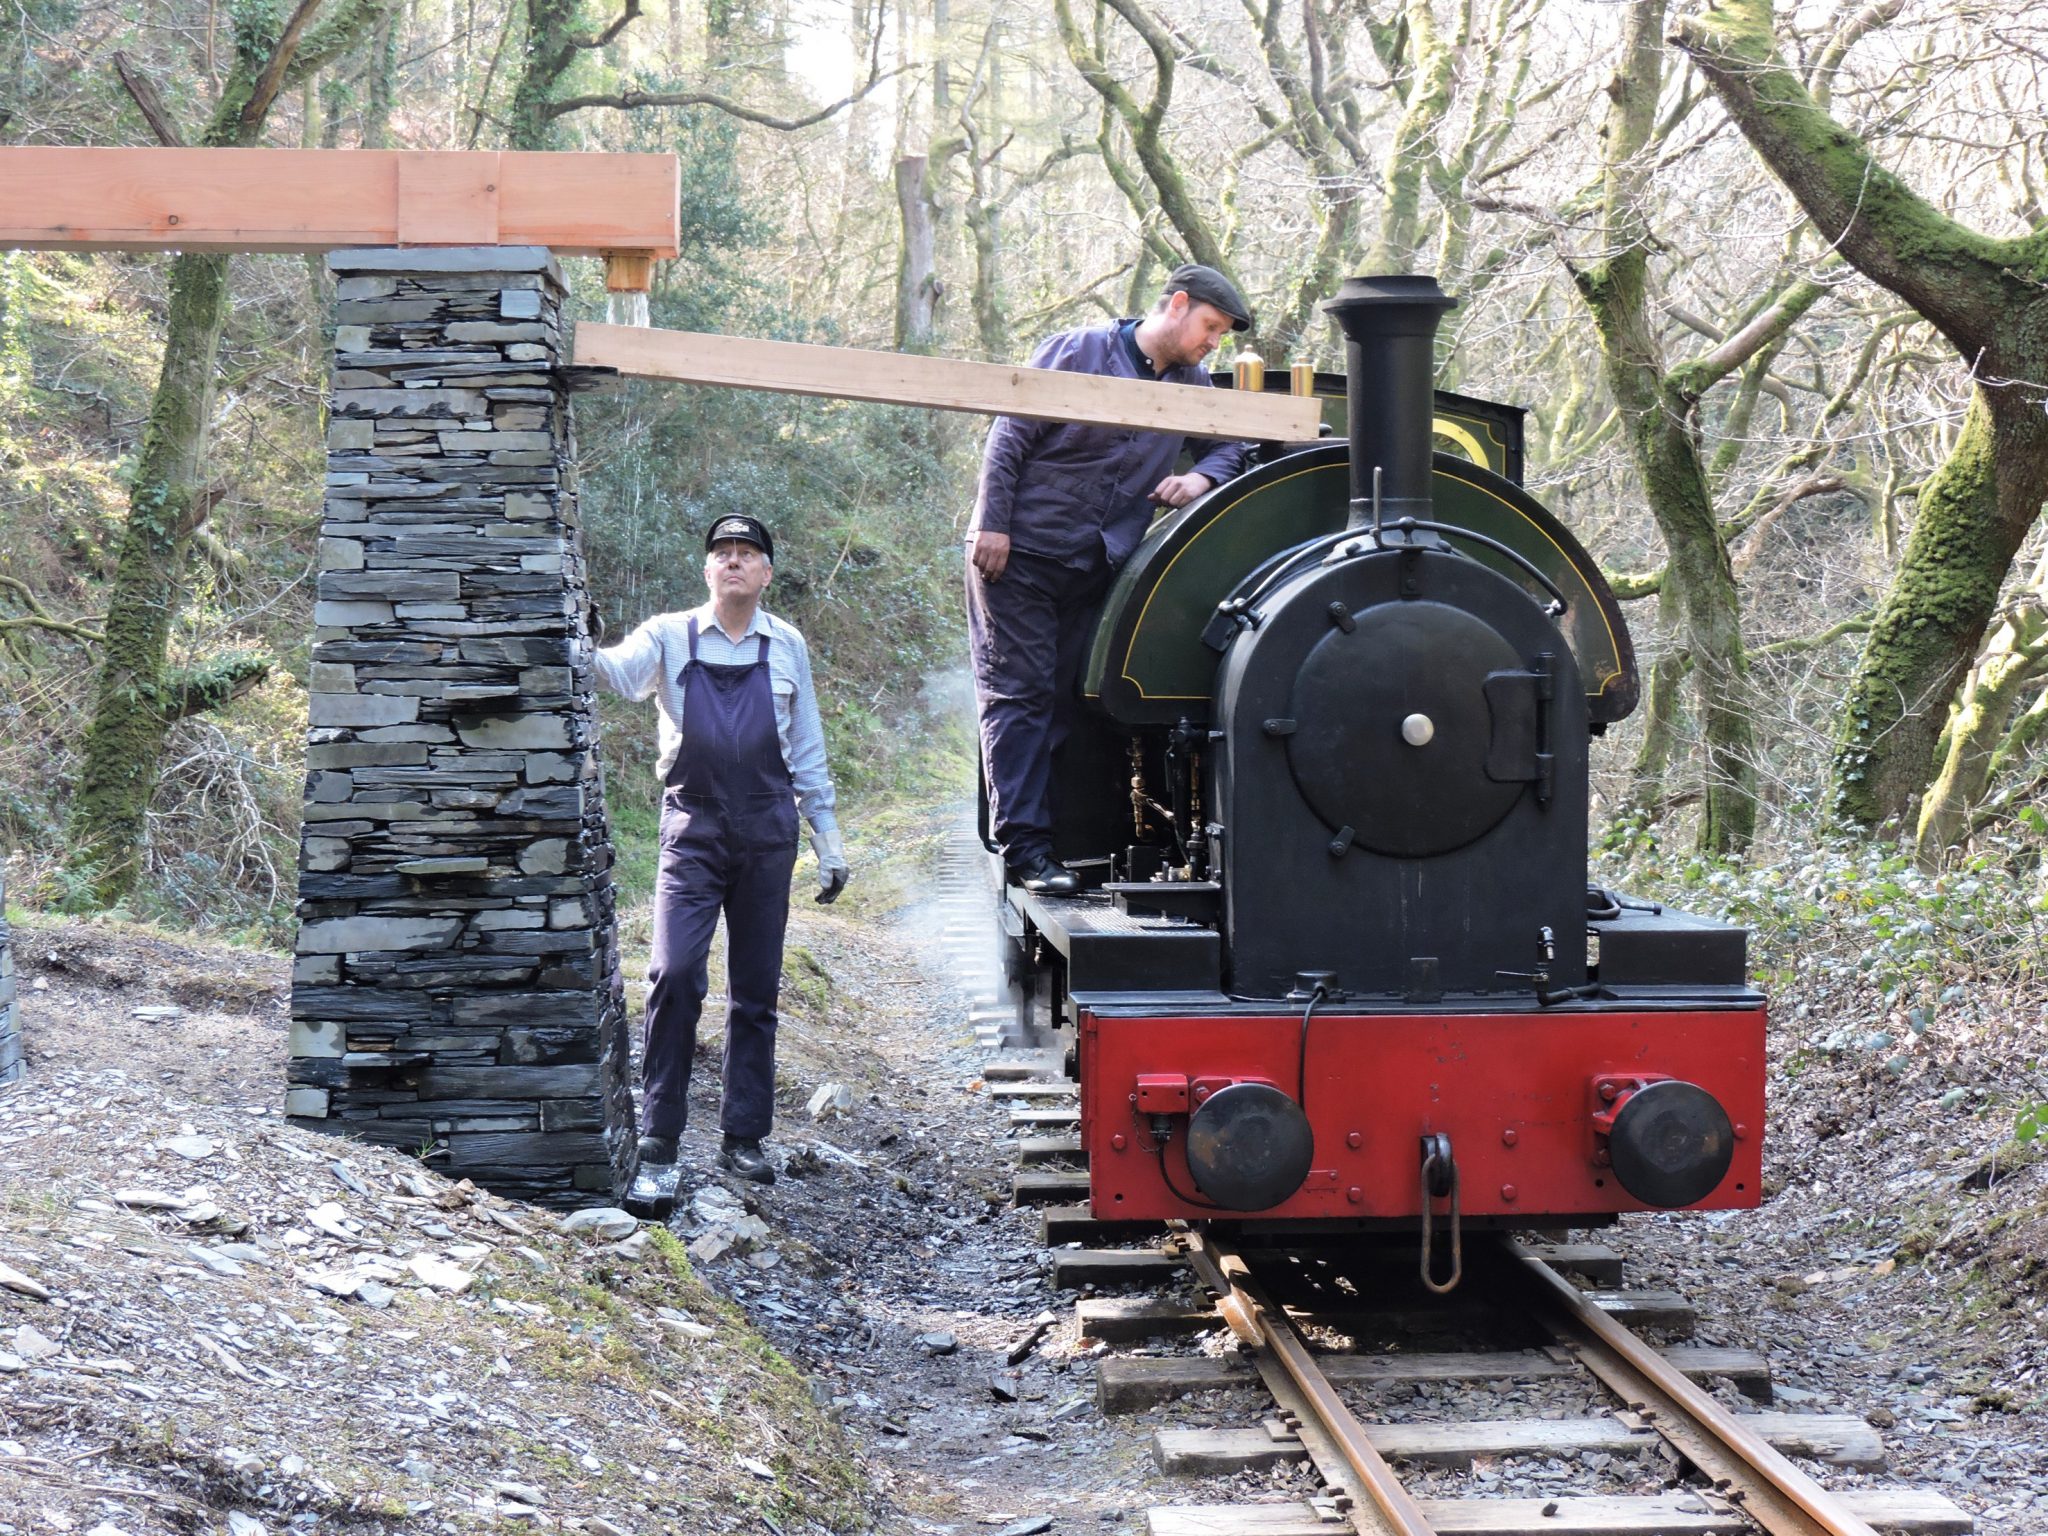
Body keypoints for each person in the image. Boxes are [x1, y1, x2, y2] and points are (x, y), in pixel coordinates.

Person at [967, 264, 1256, 895]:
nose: (1214, 343)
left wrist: (1199, 477)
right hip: (1019, 555)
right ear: (1177, 305)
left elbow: (1234, 445)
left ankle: (1061, 840)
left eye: (1223, 336)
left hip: (1097, 564)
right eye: (1210, 328)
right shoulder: (1076, 350)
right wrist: (992, 524)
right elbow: (1008, 435)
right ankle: (1024, 848)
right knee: (1020, 697)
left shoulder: (1193, 382)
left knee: (1070, 701)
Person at [593, 515, 849, 1184]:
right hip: (694, 829)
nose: (733, 562)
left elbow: (809, 751)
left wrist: (830, 842)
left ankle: (743, 1136)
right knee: (675, 976)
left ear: (766, 573)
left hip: (769, 832)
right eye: (722, 554)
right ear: (707, 571)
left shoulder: (788, 645)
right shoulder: (668, 636)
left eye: (747, 554)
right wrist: (570, 636)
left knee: (756, 990)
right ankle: (660, 1132)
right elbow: (616, 674)